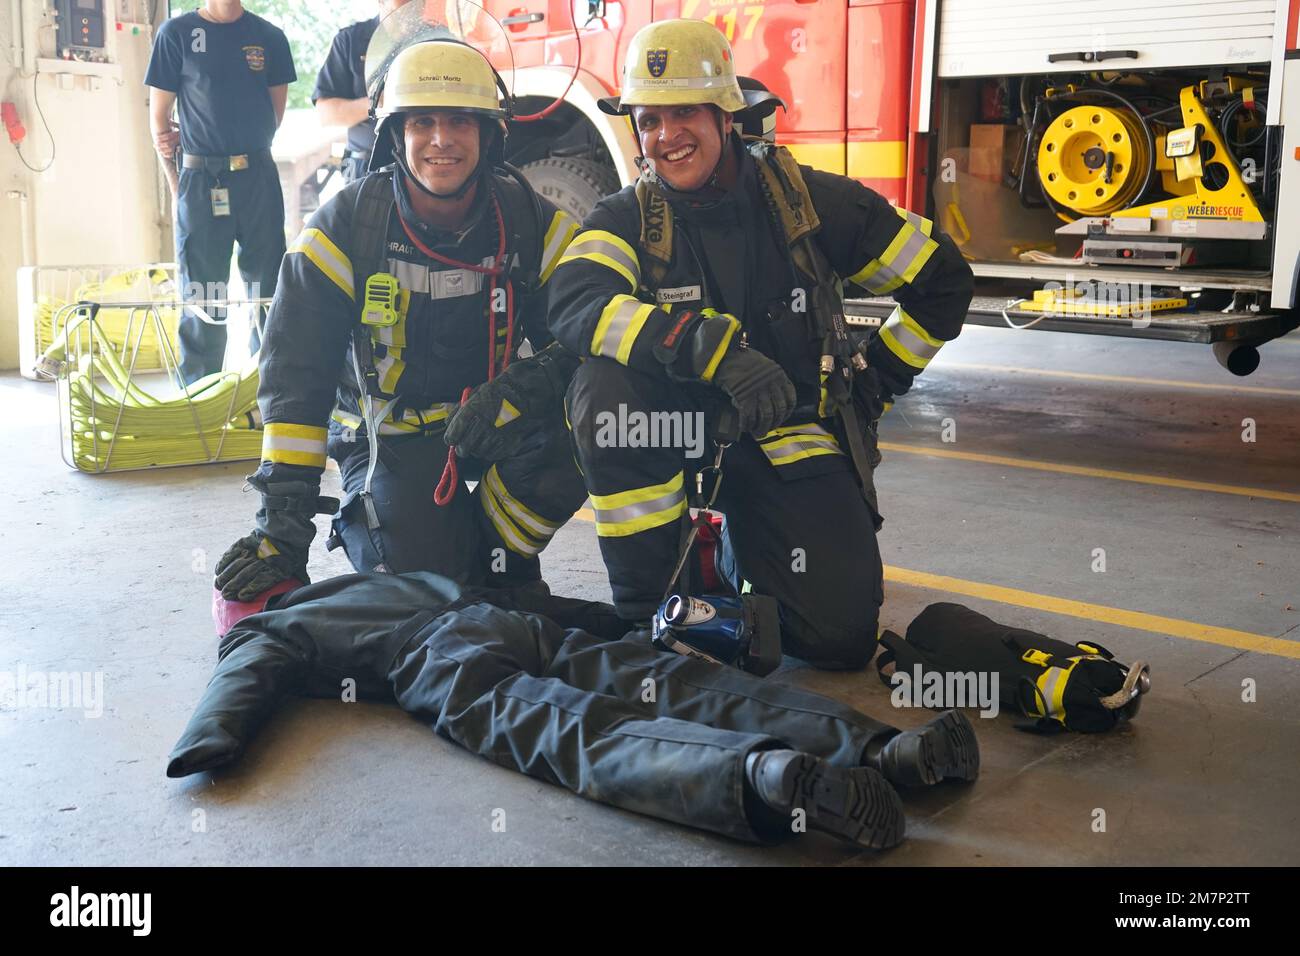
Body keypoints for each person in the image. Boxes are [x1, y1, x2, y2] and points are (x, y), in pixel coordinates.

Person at [548, 19, 975, 670]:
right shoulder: (626, 219)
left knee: (839, 642)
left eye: (685, 112)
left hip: (788, 435)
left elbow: (941, 280)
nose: (667, 137)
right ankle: (651, 610)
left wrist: (876, 384)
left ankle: (743, 585)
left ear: (726, 114)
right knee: (603, 393)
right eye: (649, 119)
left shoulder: (808, 205)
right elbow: (575, 303)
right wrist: (706, 349)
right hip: (675, 436)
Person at [170, 572, 981, 850]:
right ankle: (884, 752)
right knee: (680, 684)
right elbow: (522, 595)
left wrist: (208, 746)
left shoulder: (267, 629)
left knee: (580, 733)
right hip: (513, 625)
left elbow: (238, 683)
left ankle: (760, 776)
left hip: (439, 664)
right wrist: (610, 623)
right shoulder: (376, 576)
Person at [213, 37, 585, 607]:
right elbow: (295, 385)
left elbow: (591, 327)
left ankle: (500, 556)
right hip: (389, 440)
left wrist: (528, 386)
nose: (441, 140)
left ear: (490, 135)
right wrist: (282, 530)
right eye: (422, 123)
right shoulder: (345, 228)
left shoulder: (529, 223)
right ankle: (449, 557)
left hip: (494, 424)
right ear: (395, 136)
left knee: (593, 420)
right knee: (423, 599)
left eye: (461, 121)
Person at [145, 0, 296, 385]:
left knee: (268, 288)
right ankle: (198, 390)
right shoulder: (176, 34)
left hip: (257, 175)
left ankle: (264, 391)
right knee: (204, 288)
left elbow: (273, 116)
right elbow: (159, 122)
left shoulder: (270, 37)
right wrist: (178, 184)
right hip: (200, 178)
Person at [313, 0, 414, 182]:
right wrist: (380, 100)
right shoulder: (350, 40)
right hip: (364, 166)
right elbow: (326, 114)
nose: (411, 6)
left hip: (422, 163)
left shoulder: (436, 39)